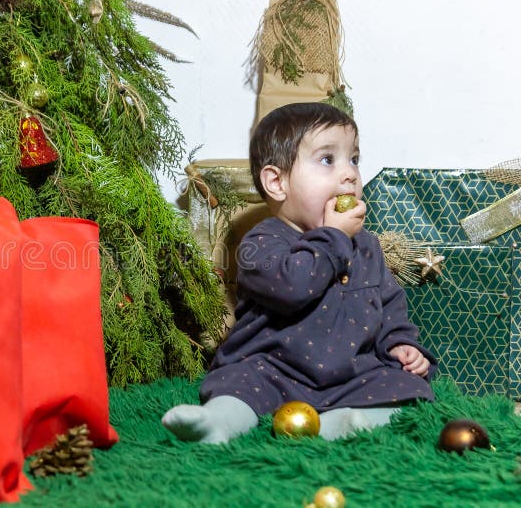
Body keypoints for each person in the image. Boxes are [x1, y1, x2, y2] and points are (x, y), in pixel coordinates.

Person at [162, 102, 437, 444]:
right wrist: (335, 237)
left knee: (410, 386)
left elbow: (389, 304)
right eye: (327, 160)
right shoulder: (262, 243)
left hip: (350, 373)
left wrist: (399, 344)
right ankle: (218, 422)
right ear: (277, 182)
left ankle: (349, 421)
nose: (350, 174)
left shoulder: (366, 245)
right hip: (273, 367)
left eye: (354, 159)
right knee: (238, 384)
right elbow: (294, 286)